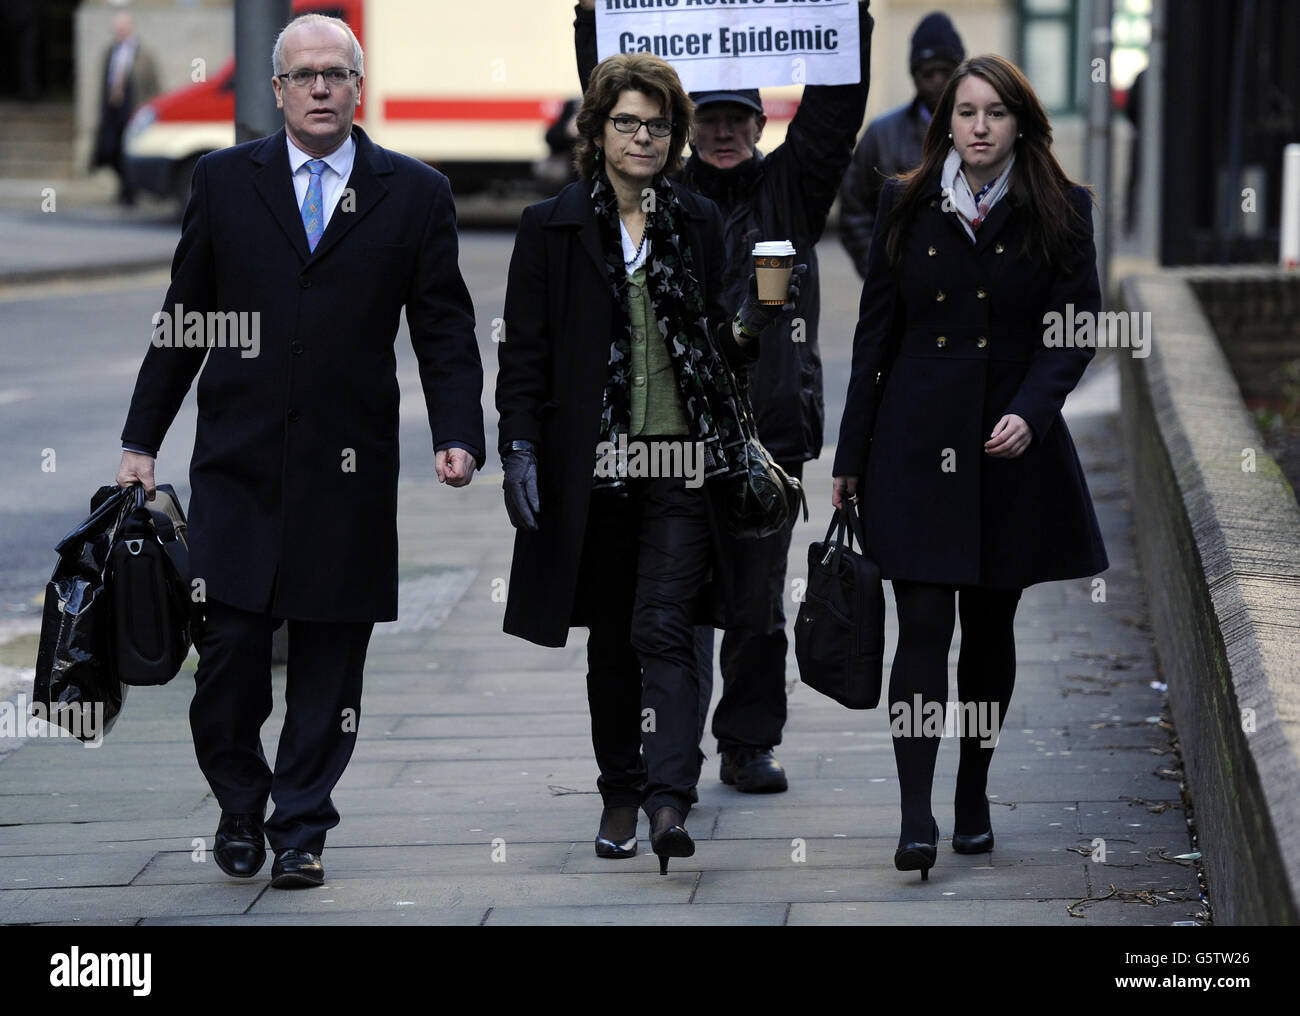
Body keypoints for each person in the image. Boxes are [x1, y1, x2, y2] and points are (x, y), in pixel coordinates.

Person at [115, 13, 485, 889]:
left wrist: (458, 432)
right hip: (237, 465)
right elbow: (185, 319)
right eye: (303, 75)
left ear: (359, 86)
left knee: (330, 659)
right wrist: (141, 438)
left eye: (336, 74)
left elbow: (444, 327)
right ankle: (239, 807)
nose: (320, 89)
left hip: (348, 472)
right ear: (277, 90)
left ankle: (301, 827)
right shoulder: (223, 181)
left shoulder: (416, 192)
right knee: (231, 650)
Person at [495, 52, 797, 874]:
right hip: (592, 471)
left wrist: (760, 320)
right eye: (626, 122)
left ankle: (670, 799)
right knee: (611, 646)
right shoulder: (551, 226)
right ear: (597, 131)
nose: (642, 138)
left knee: (668, 629)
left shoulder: (694, 220)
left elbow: (714, 350)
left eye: (658, 126)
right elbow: (523, 357)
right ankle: (621, 790)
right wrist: (517, 446)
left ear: (675, 137)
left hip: (681, 464)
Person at [573, 0, 873, 796]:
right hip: (671, 435)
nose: (724, 132)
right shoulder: (658, 195)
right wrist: (592, 20)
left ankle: (747, 741)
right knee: (670, 605)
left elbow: (836, 110)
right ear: (684, 127)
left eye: (740, 118)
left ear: (763, 125)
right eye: (708, 119)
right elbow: (607, 100)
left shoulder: (795, 191)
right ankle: (674, 757)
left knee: (754, 606)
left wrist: (852, 17)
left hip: (769, 435)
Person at [831, 54, 1109, 881]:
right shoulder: (903, 202)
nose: (979, 126)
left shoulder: (1062, 209)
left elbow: (1075, 325)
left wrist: (1032, 409)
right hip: (914, 451)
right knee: (921, 629)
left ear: (1022, 122)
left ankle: (973, 795)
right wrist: (851, 457)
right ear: (944, 121)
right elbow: (873, 339)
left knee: (990, 632)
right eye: (966, 112)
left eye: (995, 112)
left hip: (1008, 453)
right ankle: (916, 815)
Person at [839, 12, 965, 278]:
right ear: (914, 74)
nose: (938, 81)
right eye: (929, 72)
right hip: (902, 290)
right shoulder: (881, 134)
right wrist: (881, 271)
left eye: (947, 71)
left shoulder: (980, 131)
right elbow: (853, 212)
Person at [91, 12, 159, 205]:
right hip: (113, 109)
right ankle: (124, 187)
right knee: (109, 149)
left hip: (133, 108)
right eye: (117, 28)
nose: (119, 31)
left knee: (129, 149)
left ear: (130, 28)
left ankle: (130, 191)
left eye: (122, 27)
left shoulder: (144, 55)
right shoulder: (110, 52)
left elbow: (153, 86)